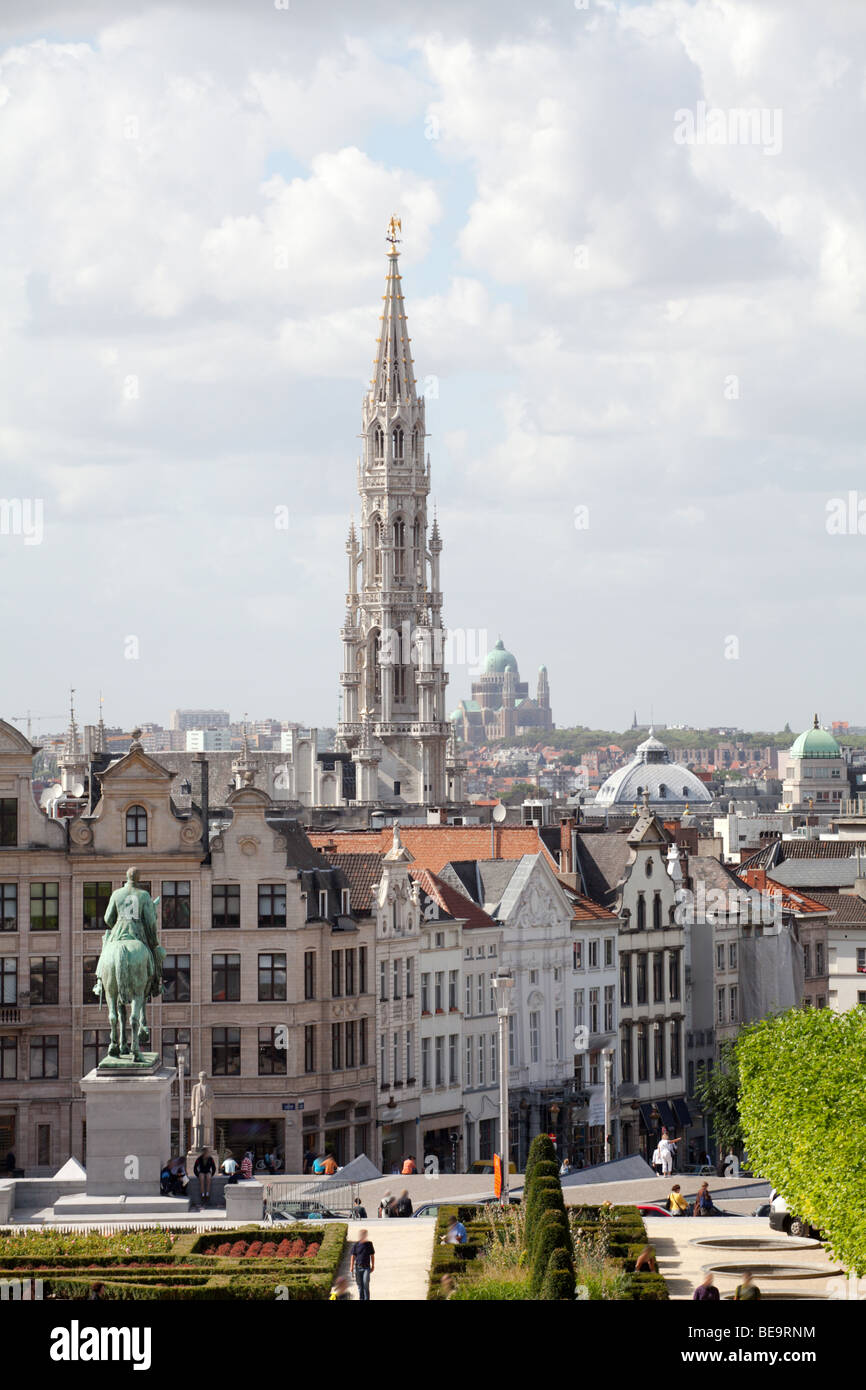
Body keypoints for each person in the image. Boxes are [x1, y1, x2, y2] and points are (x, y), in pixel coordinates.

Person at [349, 1229, 375, 1301]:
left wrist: (373, 1265)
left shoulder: (369, 1244)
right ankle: (361, 1298)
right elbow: (353, 1256)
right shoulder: (356, 1245)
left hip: (366, 1268)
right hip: (358, 1267)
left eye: (364, 1235)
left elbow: (372, 1255)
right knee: (360, 1285)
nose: (363, 1236)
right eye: (361, 1235)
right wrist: (351, 1266)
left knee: (365, 1284)